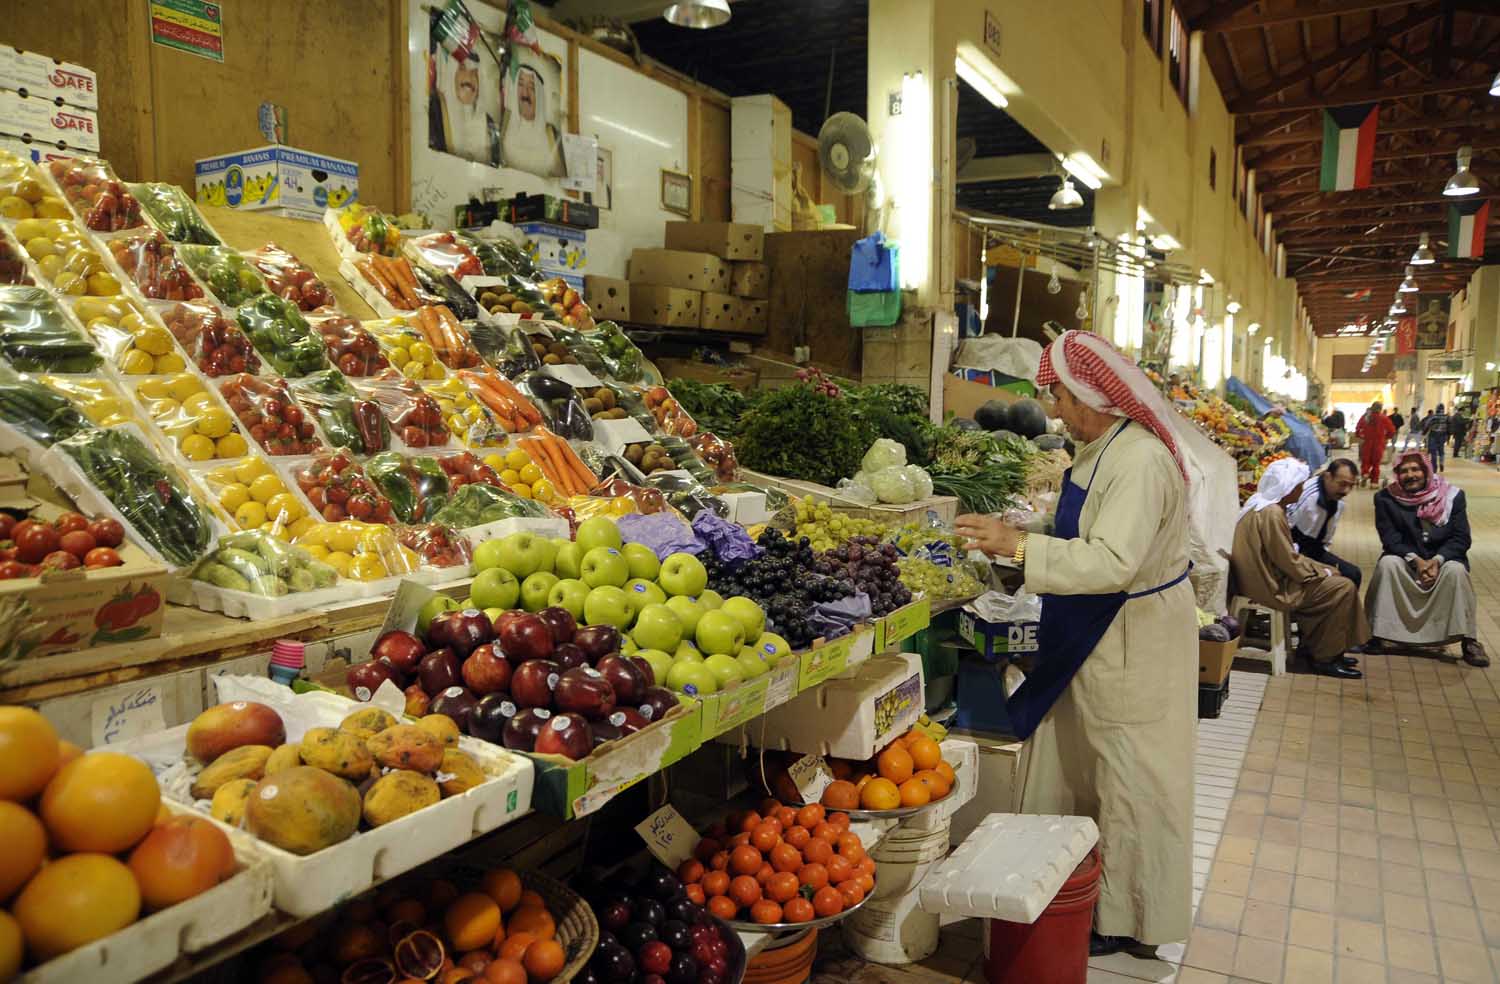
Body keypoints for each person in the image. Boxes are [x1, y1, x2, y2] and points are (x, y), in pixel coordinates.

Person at [954, 330, 1194, 957]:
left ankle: (1127, 917)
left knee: (1129, 781)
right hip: (1093, 631)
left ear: (1093, 395)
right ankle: (1080, 893)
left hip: (1127, 635)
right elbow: (1084, 527)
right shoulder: (1105, 449)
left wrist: (1021, 547)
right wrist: (1019, 528)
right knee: (1090, 769)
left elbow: (1113, 560)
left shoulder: (1139, 461)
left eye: (1059, 395)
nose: (1054, 409)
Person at [1229, 458, 1368, 679]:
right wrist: (1324, 571)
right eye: (1299, 485)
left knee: (1341, 582)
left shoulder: (1259, 503)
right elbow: (1289, 561)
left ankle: (1328, 650)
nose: (1302, 489)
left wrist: (1321, 569)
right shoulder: (1272, 514)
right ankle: (1324, 658)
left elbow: (1287, 556)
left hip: (1262, 578)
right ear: (1288, 487)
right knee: (1342, 588)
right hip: (1270, 586)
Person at [1366, 450, 1489, 666]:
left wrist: (1437, 561)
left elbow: (1461, 539)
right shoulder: (1386, 498)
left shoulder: (1452, 496)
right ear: (1397, 474)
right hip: (1406, 560)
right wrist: (1417, 561)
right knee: (1388, 564)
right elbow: (1390, 539)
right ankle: (1377, 635)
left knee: (1457, 571)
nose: (1410, 475)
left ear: (1426, 471)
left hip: (1442, 562)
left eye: (1415, 469)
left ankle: (1469, 641)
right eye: (1404, 471)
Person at [1289, 459, 1361, 586]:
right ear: (1328, 477)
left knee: (1353, 574)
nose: (1346, 491)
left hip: (1313, 550)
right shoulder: (1307, 496)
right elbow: (1283, 531)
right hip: (1292, 553)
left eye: (1351, 485)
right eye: (1342, 484)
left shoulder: (1336, 501)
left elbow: (1326, 540)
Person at [1355, 402, 1395, 486]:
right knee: (1376, 463)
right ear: (1380, 408)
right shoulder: (1384, 418)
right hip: (1379, 443)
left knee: (1366, 461)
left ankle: (1365, 473)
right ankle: (1374, 482)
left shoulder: (1365, 417)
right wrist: (1386, 437)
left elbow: (1358, 429)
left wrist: (1361, 436)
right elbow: (1392, 431)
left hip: (1367, 442)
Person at [1426, 404, 1449, 472]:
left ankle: (1434, 467)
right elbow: (1449, 426)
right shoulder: (1446, 417)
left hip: (1434, 435)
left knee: (1433, 452)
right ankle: (1441, 464)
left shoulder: (1433, 417)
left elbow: (1427, 424)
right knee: (1441, 451)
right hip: (1442, 435)